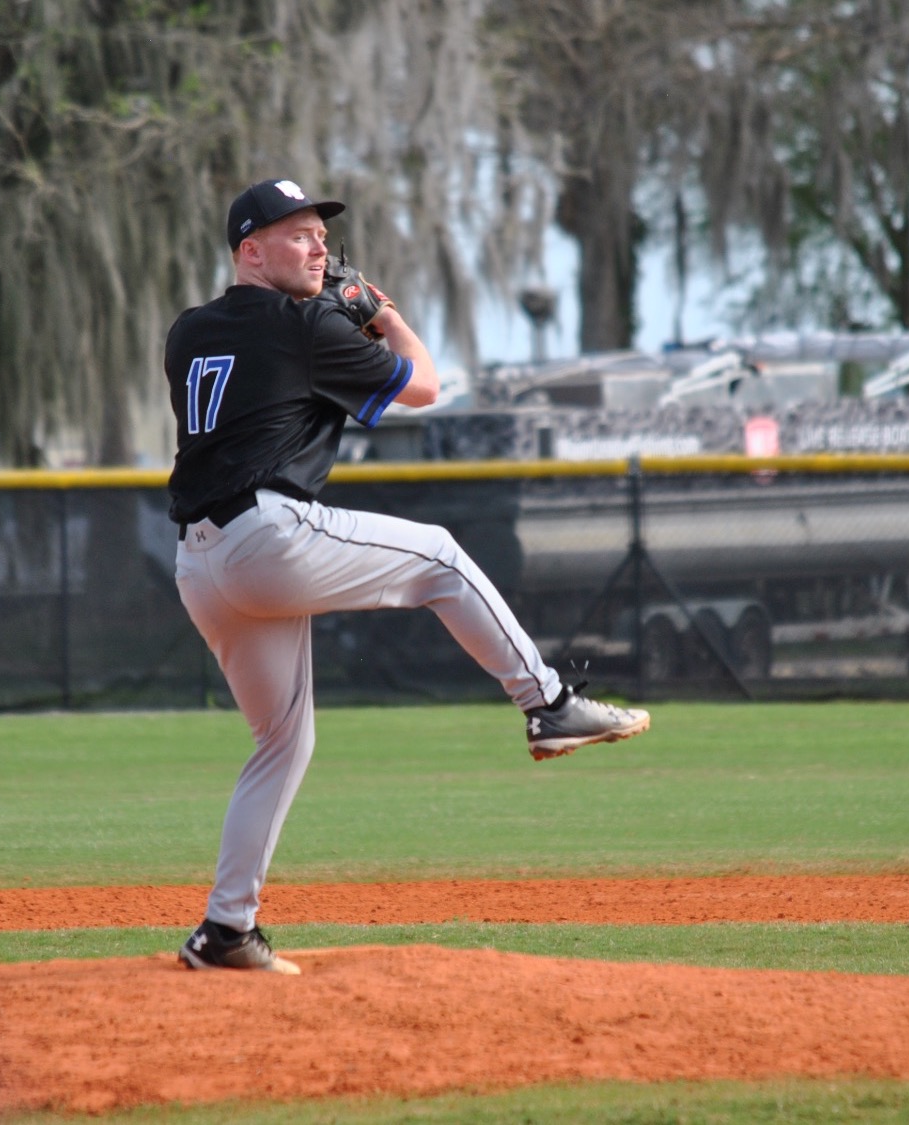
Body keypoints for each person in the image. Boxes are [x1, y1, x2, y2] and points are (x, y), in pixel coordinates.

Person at [165, 179, 651, 975]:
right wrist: (384, 317)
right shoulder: (307, 322)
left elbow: (264, 379)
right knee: (440, 555)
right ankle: (549, 704)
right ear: (250, 251)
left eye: (321, 233)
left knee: (283, 742)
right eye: (295, 234)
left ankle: (226, 930)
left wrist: (334, 313)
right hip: (267, 540)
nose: (318, 246)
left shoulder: (188, 330)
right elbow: (424, 387)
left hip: (202, 564)